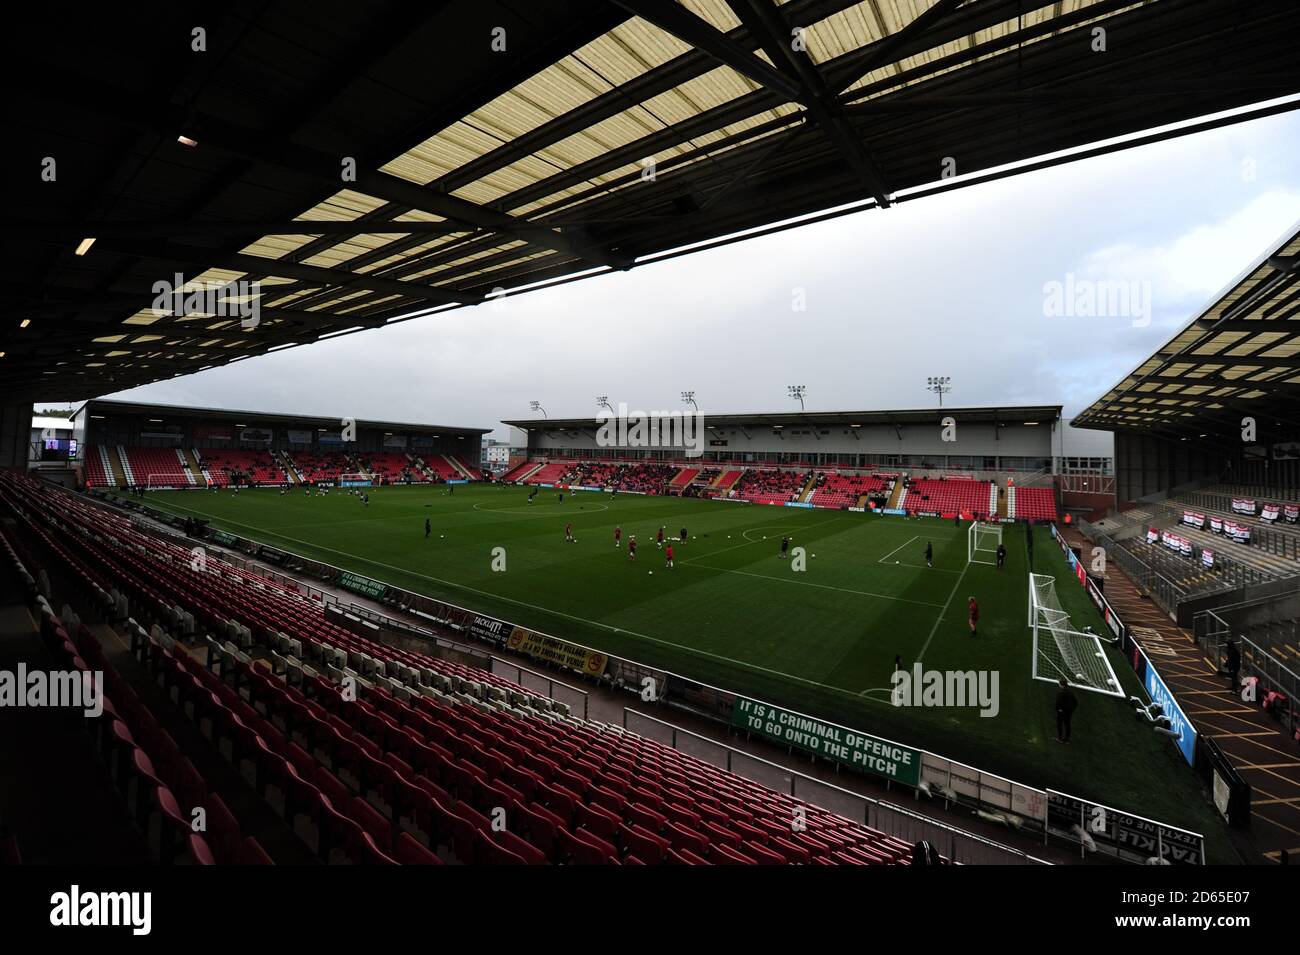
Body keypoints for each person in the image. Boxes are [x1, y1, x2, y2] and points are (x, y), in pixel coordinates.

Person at [1055, 677, 1078, 743]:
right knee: (1067, 725)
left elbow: (1058, 703)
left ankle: (1060, 738)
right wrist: (1072, 710)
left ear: (1062, 685)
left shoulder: (1060, 693)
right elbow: (1075, 702)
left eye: (1059, 684)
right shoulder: (1070, 693)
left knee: (1059, 725)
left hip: (1061, 712)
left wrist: (1059, 710)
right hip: (1069, 712)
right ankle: (1066, 739)